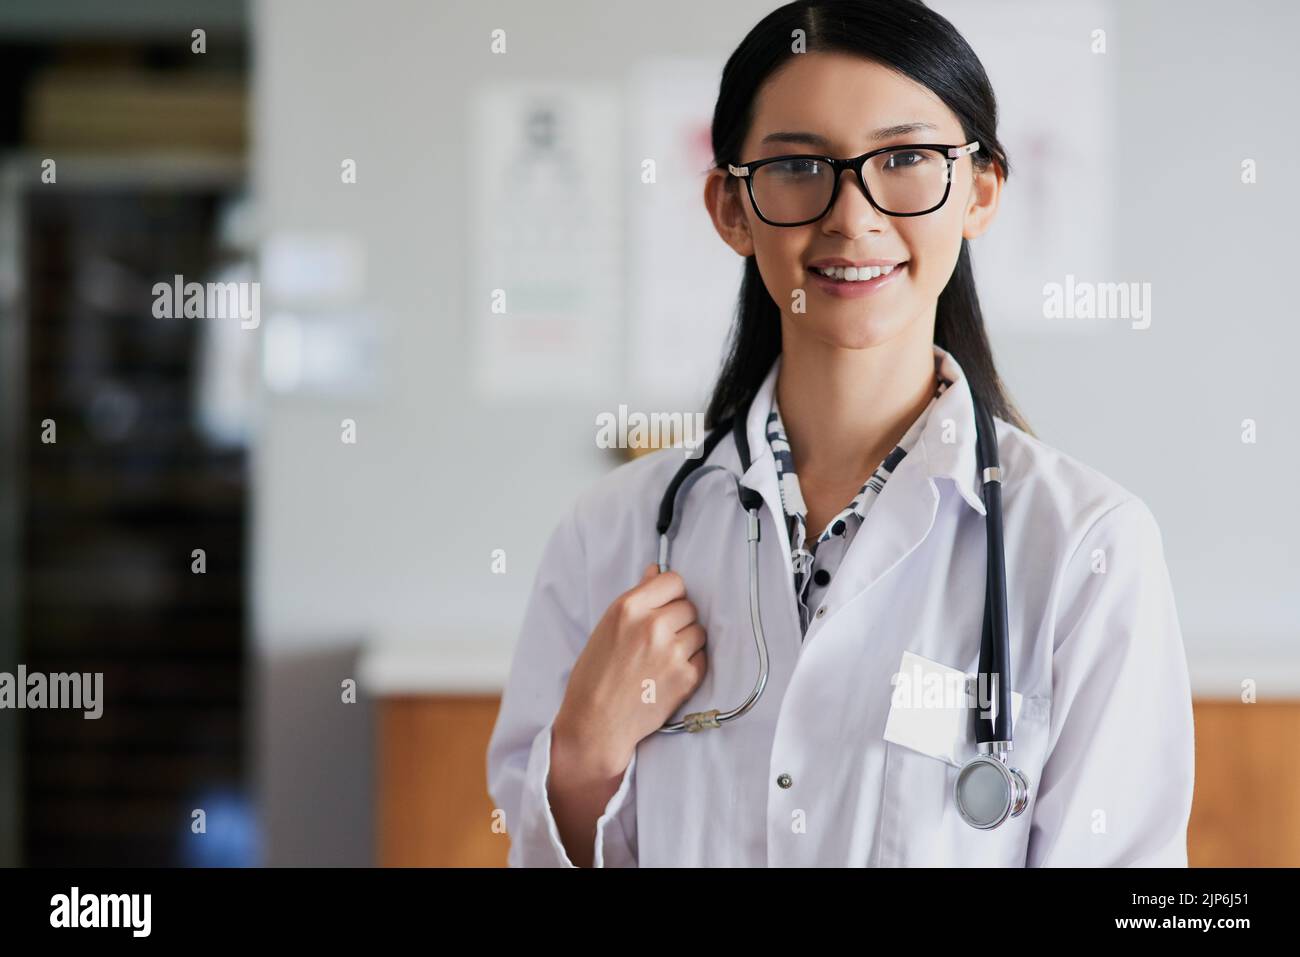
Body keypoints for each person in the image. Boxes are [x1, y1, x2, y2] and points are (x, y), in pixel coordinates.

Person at [486, 0, 1194, 867]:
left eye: (904, 159)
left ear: (979, 191)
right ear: (731, 207)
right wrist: (583, 758)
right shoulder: (610, 534)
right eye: (796, 166)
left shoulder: (1090, 547)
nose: (852, 216)